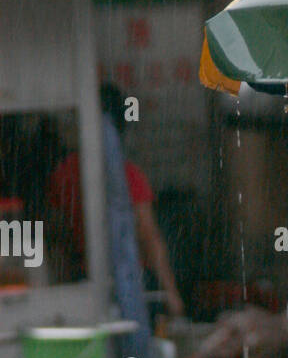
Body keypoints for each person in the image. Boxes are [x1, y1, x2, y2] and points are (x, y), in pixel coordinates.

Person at [47, 83, 185, 316]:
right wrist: (172, 294)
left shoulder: (63, 174)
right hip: (130, 282)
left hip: (84, 280)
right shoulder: (129, 176)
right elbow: (148, 236)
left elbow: (56, 235)